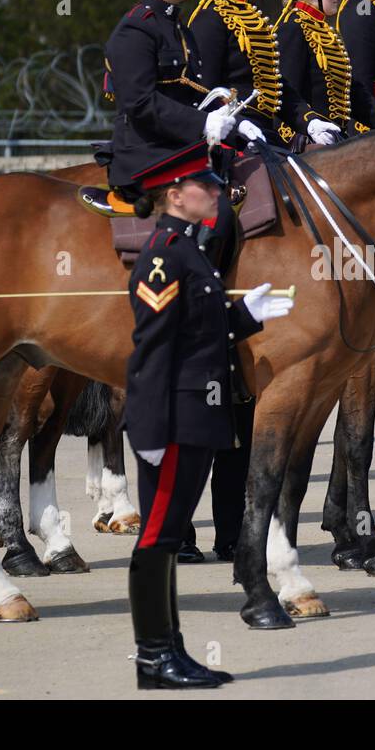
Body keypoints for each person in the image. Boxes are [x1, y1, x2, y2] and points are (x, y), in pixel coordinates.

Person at [124, 142, 294, 688]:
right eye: (207, 186)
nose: (218, 192)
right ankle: (153, 657)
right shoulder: (162, 256)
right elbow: (151, 351)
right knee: (156, 538)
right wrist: (146, 429)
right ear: (176, 195)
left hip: (198, 418)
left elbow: (200, 329)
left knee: (169, 538)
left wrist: (243, 314)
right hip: (173, 422)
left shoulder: (190, 250)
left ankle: (169, 651)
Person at [92, 0, 241, 217]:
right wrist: (202, 123)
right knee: (217, 213)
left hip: (180, 151)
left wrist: (233, 120)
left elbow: (187, 92)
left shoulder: (177, 27)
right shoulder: (136, 29)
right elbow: (140, 102)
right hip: (148, 157)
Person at [189, 0, 340, 147]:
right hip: (230, 139)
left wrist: (308, 121)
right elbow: (204, 92)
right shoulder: (210, 18)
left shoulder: (253, 17)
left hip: (264, 135)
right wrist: (236, 127)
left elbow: (275, 85)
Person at [275, 0, 374, 137]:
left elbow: (353, 93)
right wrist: (300, 141)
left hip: (337, 138)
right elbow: (285, 97)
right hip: (309, 144)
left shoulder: (325, 30)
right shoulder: (293, 27)